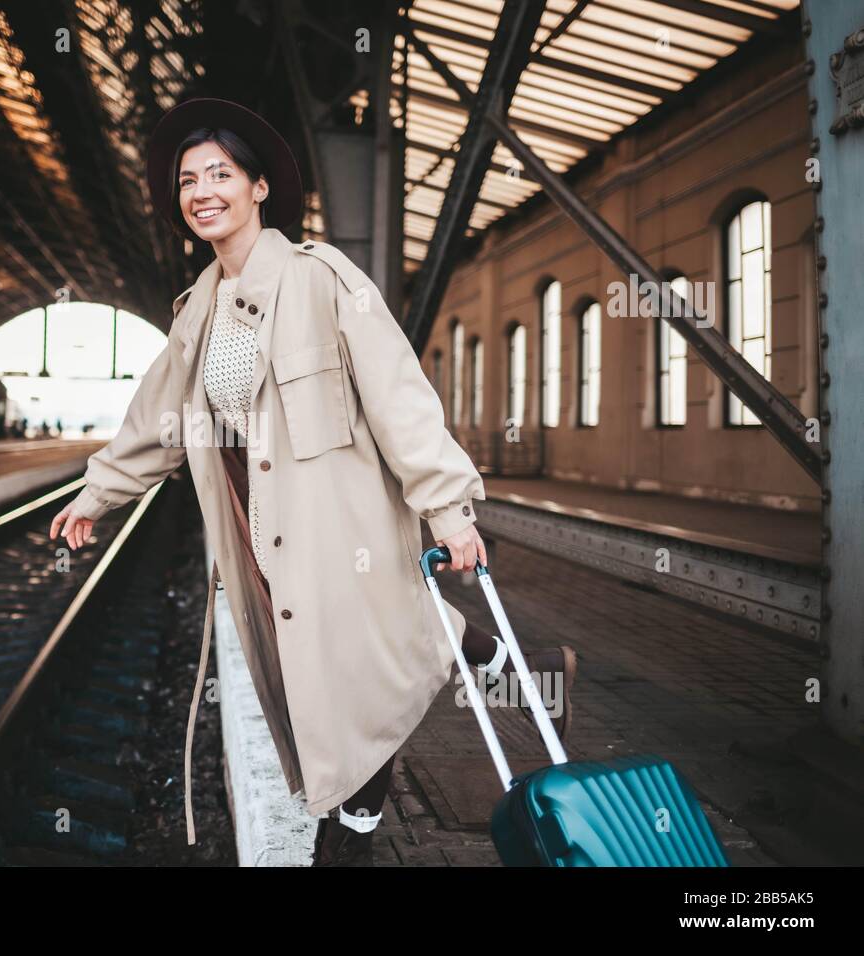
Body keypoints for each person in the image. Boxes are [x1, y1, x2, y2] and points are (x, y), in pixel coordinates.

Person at [49, 98, 577, 867]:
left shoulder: (323, 277)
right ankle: (502, 663)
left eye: (220, 174)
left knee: (346, 688)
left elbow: (399, 395)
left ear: (258, 188)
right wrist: (96, 494)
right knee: (328, 676)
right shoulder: (197, 310)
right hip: (260, 535)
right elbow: (157, 420)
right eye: (188, 180)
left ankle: (347, 846)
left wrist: (447, 509)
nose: (202, 191)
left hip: (344, 527)